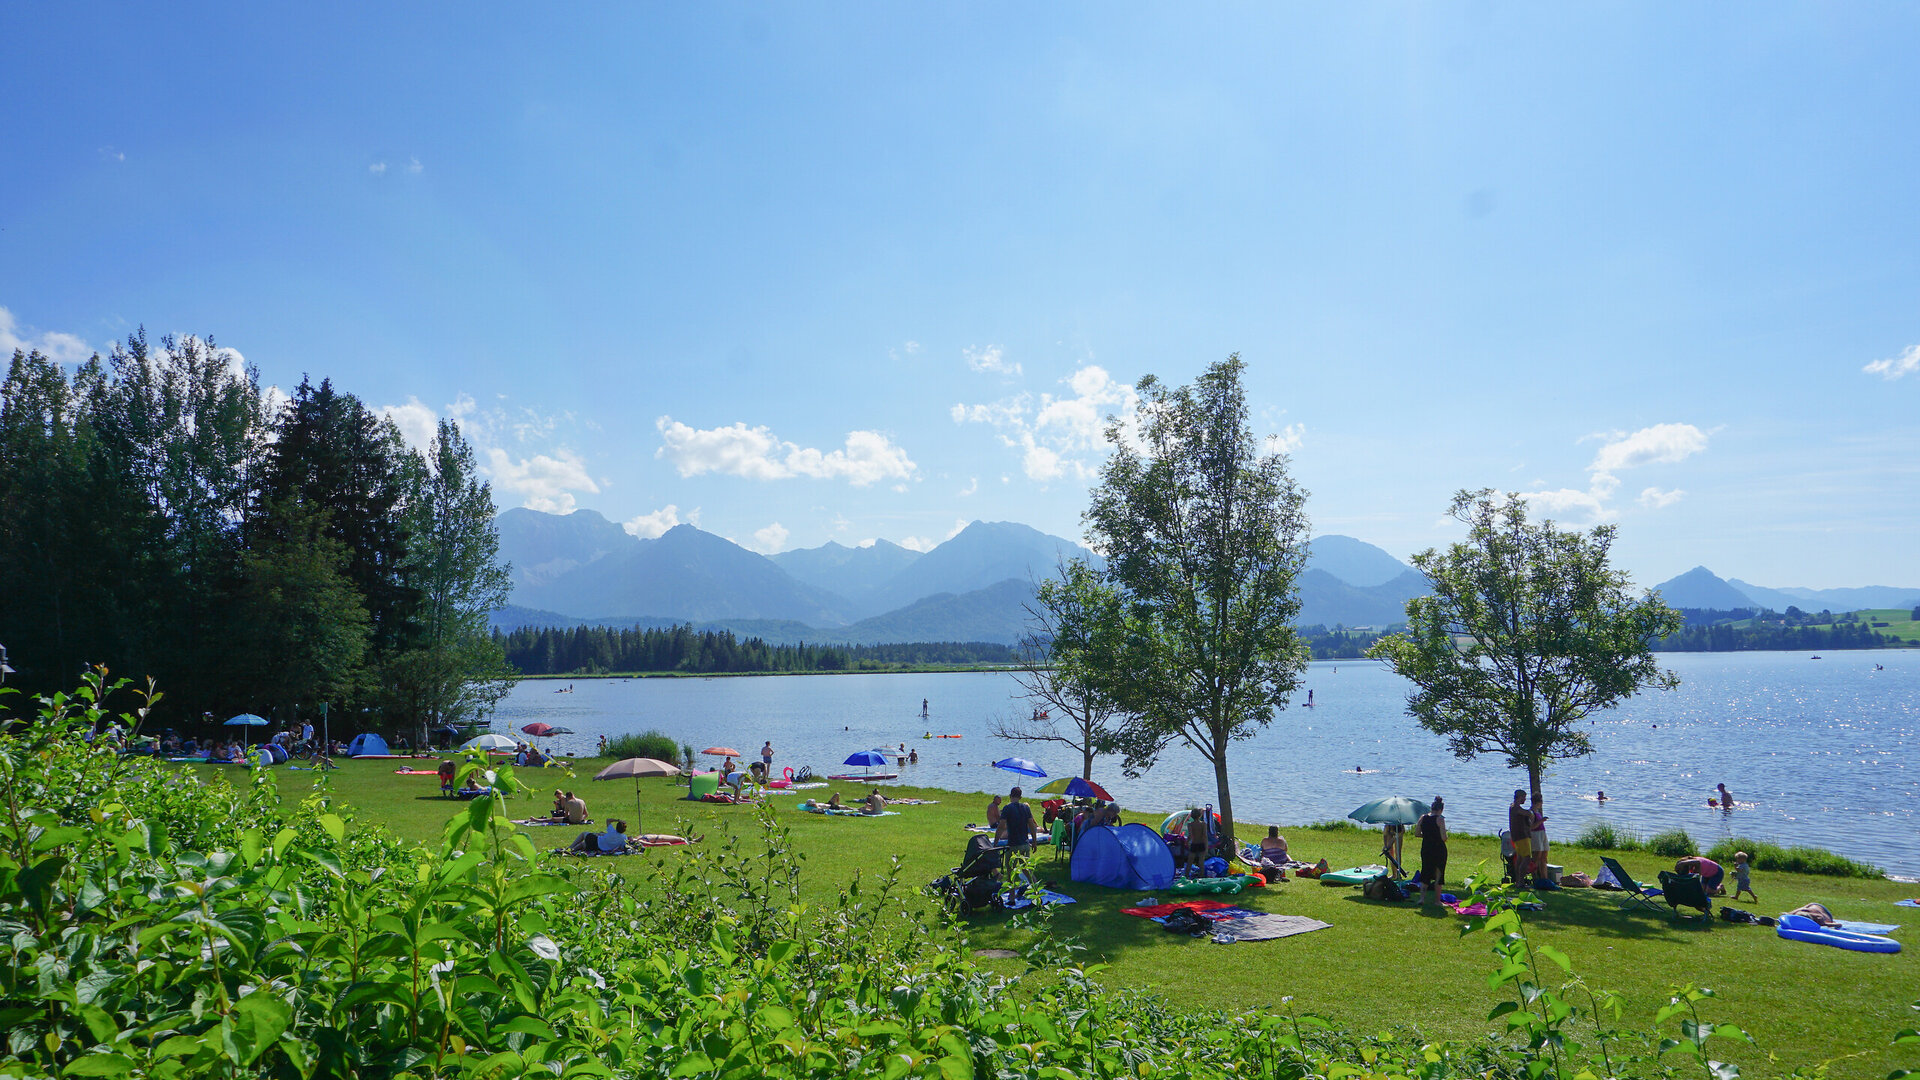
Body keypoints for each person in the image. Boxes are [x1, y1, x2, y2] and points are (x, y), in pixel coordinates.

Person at [1414, 796, 1447, 905]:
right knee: (1438, 873)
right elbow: (1444, 838)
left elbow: (1417, 833)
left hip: (1426, 848)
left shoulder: (1423, 818)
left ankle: (1422, 899)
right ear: (1441, 809)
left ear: (1431, 808)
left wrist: (1427, 835)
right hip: (1438, 849)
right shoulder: (1440, 819)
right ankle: (1437, 901)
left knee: (1425, 872)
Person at [1507, 790, 1532, 885]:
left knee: (1520, 858)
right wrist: (1531, 813)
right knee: (1526, 858)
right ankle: (1520, 881)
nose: (1525, 799)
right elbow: (1526, 813)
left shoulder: (1513, 807)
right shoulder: (1515, 807)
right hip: (1521, 836)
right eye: (1524, 797)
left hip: (1517, 836)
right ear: (1520, 797)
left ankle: (1518, 881)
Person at [1001, 787, 1036, 854]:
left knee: (1009, 864)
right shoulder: (1026, 808)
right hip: (1025, 844)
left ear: (1010, 796)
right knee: (1024, 864)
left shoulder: (1007, 808)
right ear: (1020, 797)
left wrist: (995, 842)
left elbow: (1001, 827)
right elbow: (1032, 826)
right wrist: (1034, 841)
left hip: (1012, 844)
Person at [1529, 796, 1549, 880]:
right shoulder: (1531, 813)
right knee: (1537, 856)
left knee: (1544, 856)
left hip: (1542, 834)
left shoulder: (1537, 812)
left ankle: (1544, 877)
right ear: (1537, 803)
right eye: (1541, 802)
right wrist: (1541, 821)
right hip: (1536, 835)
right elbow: (1531, 827)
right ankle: (1535, 877)